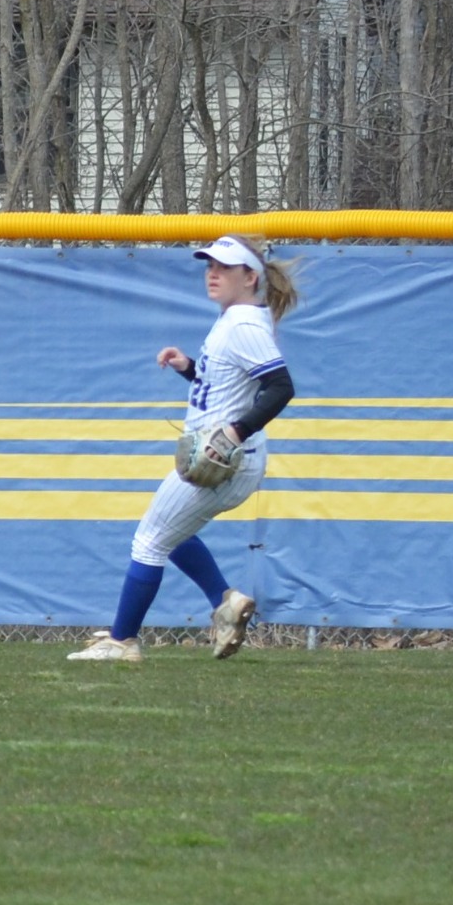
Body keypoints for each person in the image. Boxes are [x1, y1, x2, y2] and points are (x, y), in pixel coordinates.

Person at [69, 234, 301, 664]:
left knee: (149, 541)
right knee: (170, 532)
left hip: (227, 460)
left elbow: (281, 387)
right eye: (208, 265)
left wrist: (236, 432)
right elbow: (226, 388)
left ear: (250, 277)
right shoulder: (235, 318)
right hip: (227, 458)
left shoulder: (244, 323)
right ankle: (225, 601)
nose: (212, 273)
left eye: (224, 267)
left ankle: (122, 642)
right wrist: (189, 368)